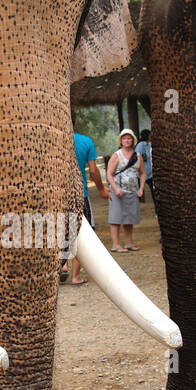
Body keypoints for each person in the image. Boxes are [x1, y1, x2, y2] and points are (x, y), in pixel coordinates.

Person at [69, 116, 109, 284]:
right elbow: (93, 170)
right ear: (75, 122)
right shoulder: (85, 141)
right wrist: (101, 189)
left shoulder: (50, 140)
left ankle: (62, 267)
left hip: (56, 196)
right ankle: (75, 276)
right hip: (80, 195)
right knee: (81, 233)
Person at [107, 128, 145, 251]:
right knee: (116, 217)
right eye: (124, 138)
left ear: (133, 140)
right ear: (121, 141)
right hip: (117, 191)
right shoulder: (116, 155)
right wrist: (115, 188)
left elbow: (142, 173)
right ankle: (116, 244)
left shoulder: (137, 156)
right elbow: (109, 174)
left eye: (129, 138)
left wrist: (141, 188)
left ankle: (129, 243)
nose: (127, 140)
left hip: (132, 190)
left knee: (129, 217)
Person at [137, 128, 155, 201]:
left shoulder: (148, 145)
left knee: (154, 190)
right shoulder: (141, 145)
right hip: (143, 172)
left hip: (150, 173)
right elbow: (137, 156)